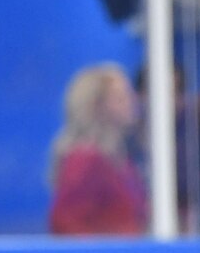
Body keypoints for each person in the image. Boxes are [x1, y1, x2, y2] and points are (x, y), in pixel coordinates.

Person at [48, 63, 147, 235]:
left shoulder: (118, 158)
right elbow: (65, 224)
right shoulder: (85, 160)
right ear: (96, 105)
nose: (131, 102)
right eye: (120, 97)